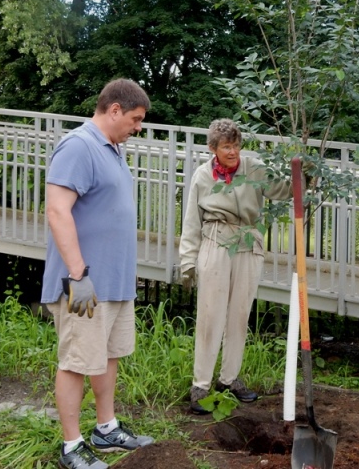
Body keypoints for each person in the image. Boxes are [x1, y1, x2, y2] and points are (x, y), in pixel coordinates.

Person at [41, 79, 154, 469]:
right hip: (84, 283)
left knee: (108, 355)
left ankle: (106, 429)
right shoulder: (79, 146)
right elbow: (57, 210)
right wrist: (78, 275)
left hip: (115, 280)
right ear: (115, 110)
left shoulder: (115, 149)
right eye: (136, 119)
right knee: (76, 360)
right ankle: (71, 446)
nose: (138, 127)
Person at [179, 118, 292, 414]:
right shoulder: (203, 176)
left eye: (237, 145)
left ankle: (229, 379)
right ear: (213, 148)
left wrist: (304, 174)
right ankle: (200, 384)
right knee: (210, 314)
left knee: (240, 314)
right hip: (216, 240)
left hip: (248, 241)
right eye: (227, 146)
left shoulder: (253, 167)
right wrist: (188, 262)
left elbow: (283, 189)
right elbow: (192, 221)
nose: (233, 152)